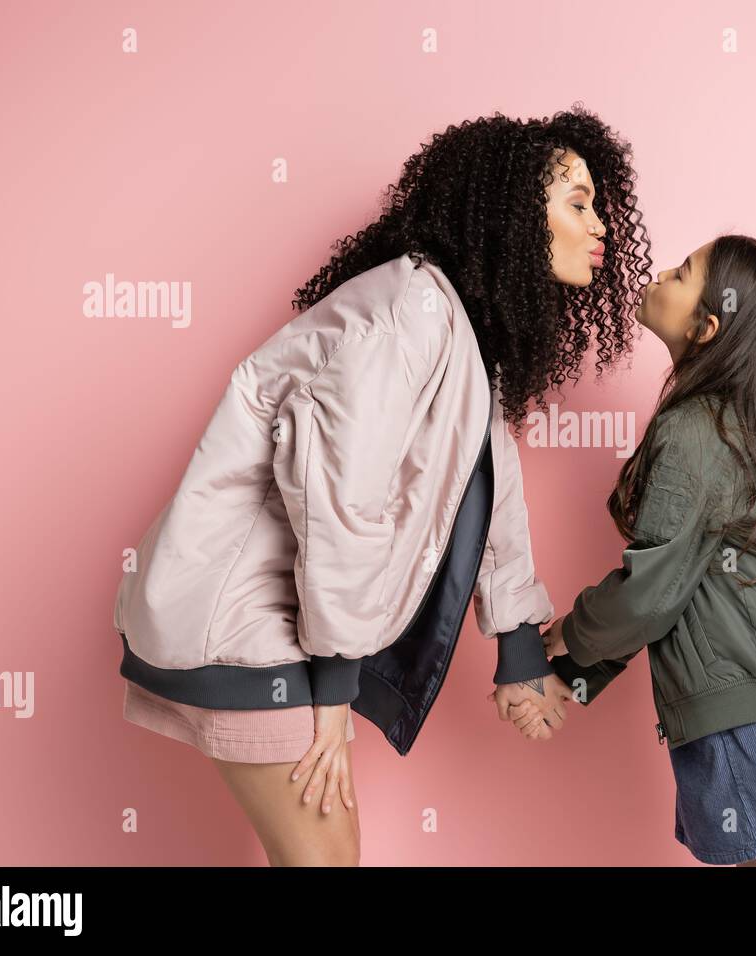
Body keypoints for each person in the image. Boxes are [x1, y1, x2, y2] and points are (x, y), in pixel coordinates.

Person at [113, 105, 653, 866]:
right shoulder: (410, 314)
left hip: (279, 626)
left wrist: (518, 651)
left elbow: (491, 491)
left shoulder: (462, 329)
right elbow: (341, 498)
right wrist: (335, 690)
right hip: (238, 621)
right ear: (512, 216)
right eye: (578, 203)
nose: (600, 227)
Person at [513, 235, 756, 866]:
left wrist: (567, 638)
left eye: (683, 272)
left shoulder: (696, 429)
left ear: (707, 326)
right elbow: (677, 586)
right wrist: (573, 676)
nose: (662, 272)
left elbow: (650, 594)